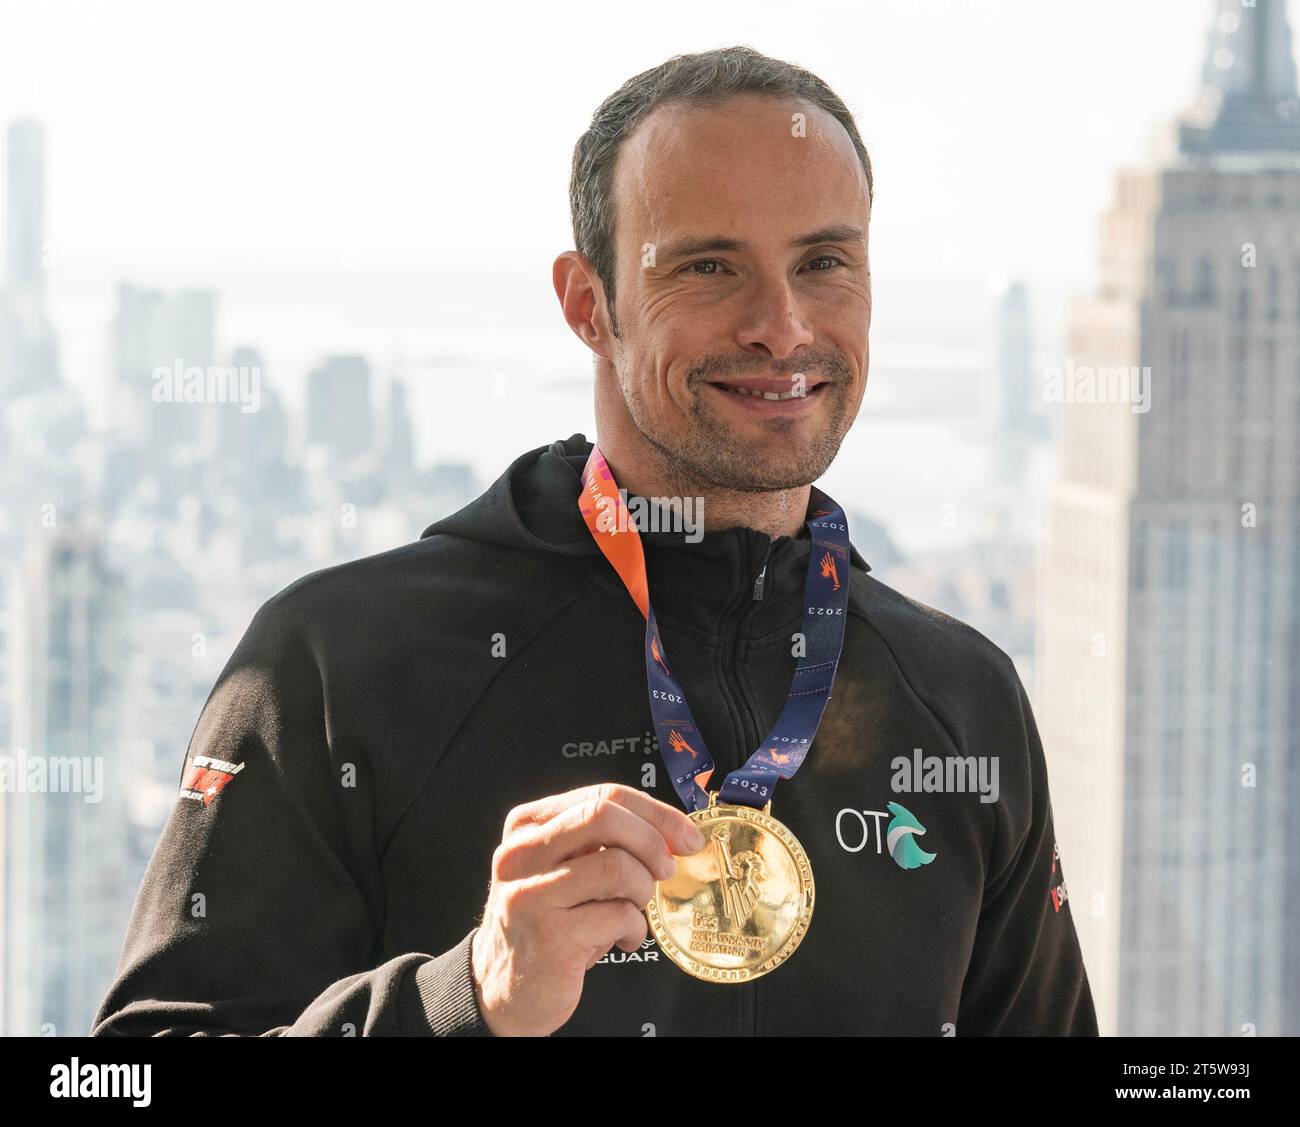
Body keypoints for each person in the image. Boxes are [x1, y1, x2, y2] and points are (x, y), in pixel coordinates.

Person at [92, 45, 1097, 1037]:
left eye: (823, 262)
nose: (780, 325)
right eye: (709, 267)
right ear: (588, 304)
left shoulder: (962, 697)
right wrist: (466, 998)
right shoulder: (334, 661)